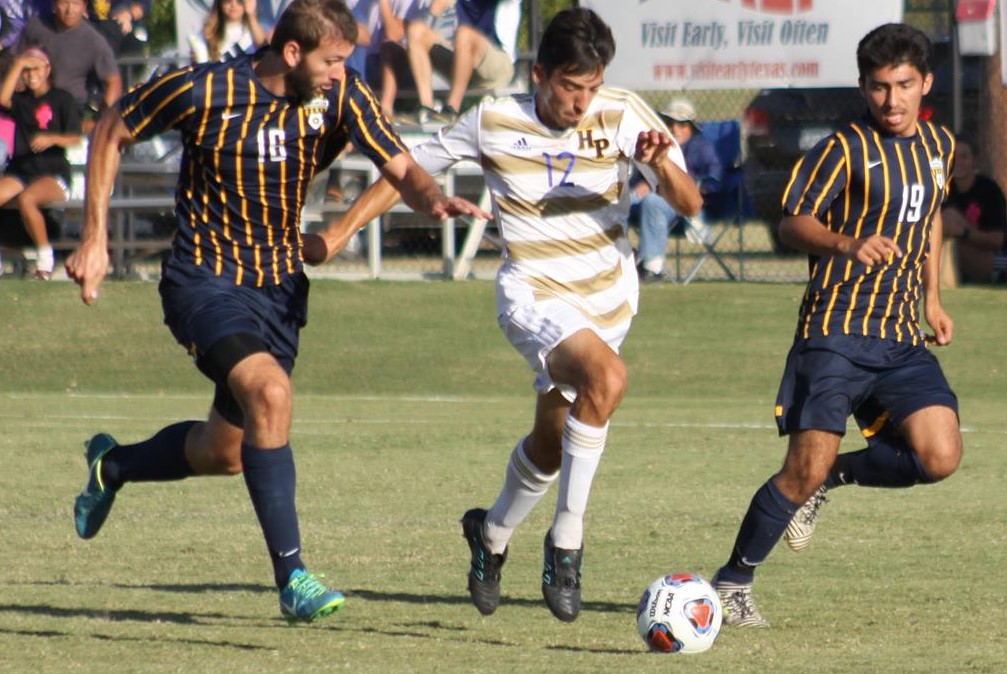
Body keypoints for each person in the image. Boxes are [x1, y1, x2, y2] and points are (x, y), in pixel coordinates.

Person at [64, 0, 487, 624]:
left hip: (279, 291)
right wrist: (96, 237)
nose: (340, 72)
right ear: (292, 53)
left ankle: (113, 465)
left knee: (225, 452)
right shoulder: (205, 88)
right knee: (270, 392)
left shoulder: (340, 96)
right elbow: (113, 128)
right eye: (332, 60)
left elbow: (402, 165)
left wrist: (432, 201)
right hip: (203, 281)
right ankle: (292, 577)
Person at [306, 7, 701, 622]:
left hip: (608, 298)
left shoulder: (624, 112)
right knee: (608, 381)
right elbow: (405, 169)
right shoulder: (493, 120)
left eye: (592, 87)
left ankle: (490, 536)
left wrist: (659, 163)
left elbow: (691, 201)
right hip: (535, 293)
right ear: (539, 73)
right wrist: (336, 233)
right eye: (571, 87)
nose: (582, 102)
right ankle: (566, 542)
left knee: (550, 442)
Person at [708, 23, 963, 628]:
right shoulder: (844, 149)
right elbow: (792, 223)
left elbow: (928, 218)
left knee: (940, 456)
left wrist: (932, 298)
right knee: (802, 468)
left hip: (901, 336)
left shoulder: (941, 147)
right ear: (862, 87)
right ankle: (731, 582)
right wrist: (846, 242)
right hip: (836, 331)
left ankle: (838, 477)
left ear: (925, 83)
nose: (891, 100)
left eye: (904, 85)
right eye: (878, 87)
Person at [0, 47, 80, 279]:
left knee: (28, 200)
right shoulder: (21, 101)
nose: (31, 74)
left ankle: (45, 257)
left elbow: (75, 137)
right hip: (21, 171)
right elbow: (3, 98)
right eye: (26, 71)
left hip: (52, 172)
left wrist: (52, 138)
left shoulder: (62, 99)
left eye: (35, 69)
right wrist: (17, 65)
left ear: (47, 70)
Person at [630, 97, 721, 282]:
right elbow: (638, 178)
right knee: (618, 201)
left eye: (682, 124)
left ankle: (652, 269)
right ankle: (618, 260)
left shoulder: (702, 147)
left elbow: (714, 180)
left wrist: (676, 186)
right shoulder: (653, 143)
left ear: (692, 127)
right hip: (645, 205)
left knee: (653, 202)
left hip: (683, 210)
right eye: (670, 123)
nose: (674, 129)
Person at [405, 0, 519, 125]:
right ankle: (427, 108)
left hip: (499, 66)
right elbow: (436, 8)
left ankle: (451, 110)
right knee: (416, 31)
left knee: (464, 34)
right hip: (464, 60)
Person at [17, 0, 121, 134]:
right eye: (64, 3)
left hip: (69, 113)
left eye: (76, 4)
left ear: (84, 6)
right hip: (30, 108)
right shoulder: (35, 26)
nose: (69, 10)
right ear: (54, 4)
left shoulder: (94, 41)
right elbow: (15, 61)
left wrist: (98, 121)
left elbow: (114, 82)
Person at [940, 135, 1007, 283]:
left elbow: (997, 241)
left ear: (975, 161)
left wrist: (962, 232)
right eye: (953, 157)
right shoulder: (944, 190)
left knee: (950, 217)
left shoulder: (989, 190)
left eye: (964, 157)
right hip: (964, 252)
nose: (958, 162)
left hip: (997, 258)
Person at [188, 0, 268, 63]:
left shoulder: (258, 28)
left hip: (247, 81)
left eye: (240, 1)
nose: (233, 4)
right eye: (227, 0)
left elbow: (264, 50)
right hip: (219, 81)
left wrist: (251, 15)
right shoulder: (207, 32)